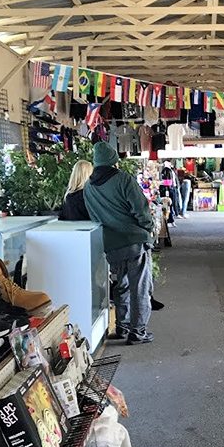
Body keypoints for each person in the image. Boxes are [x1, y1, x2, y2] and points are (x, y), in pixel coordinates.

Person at [84, 141, 155, 345]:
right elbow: (140, 209)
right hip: (134, 241)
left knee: (120, 285)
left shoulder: (89, 186)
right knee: (139, 287)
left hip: (111, 245)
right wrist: (147, 226)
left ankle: (122, 327)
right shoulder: (123, 180)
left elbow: (94, 216)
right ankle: (138, 331)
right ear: (113, 161)